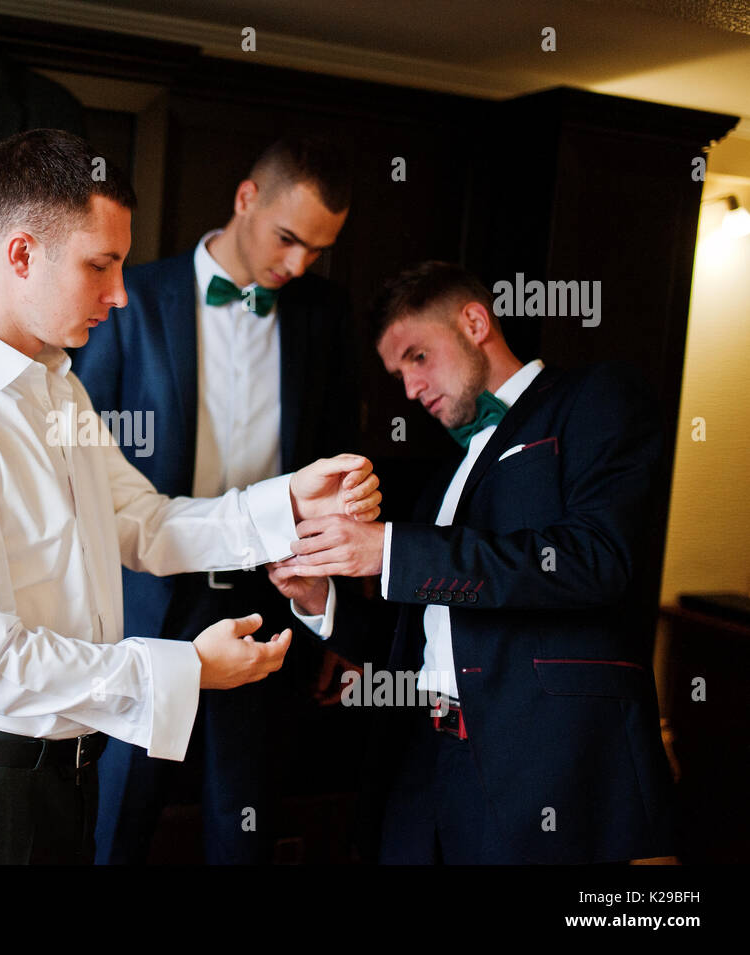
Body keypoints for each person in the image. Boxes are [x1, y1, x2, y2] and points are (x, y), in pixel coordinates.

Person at [0, 128, 382, 865]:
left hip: (67, 774)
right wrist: (185, 668)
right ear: (22, 254)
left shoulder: (59, 385)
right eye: (101, 265)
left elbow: (144, 519)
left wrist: (289, 501)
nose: (121, 293)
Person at [271, 260, 675, 864]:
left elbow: (596, 560)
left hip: (543, 766)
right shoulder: (441, 482)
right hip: (425, 766)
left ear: (474, 321)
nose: (409, 389)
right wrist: (317, 600)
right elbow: (413, 641)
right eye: (397, 372)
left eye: (416, 357)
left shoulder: (596, 397)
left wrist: (391, 549)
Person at [71, 135, 358, 864]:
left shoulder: (324, 317)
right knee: (117, 822)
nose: (296, 265)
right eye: (288, 238)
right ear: (244, 199)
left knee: (247, 823)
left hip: (270, 597)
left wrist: (334, 622)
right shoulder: (130, 295)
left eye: (316, 251)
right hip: (147, 600)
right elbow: (78, 455)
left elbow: (338, 475)